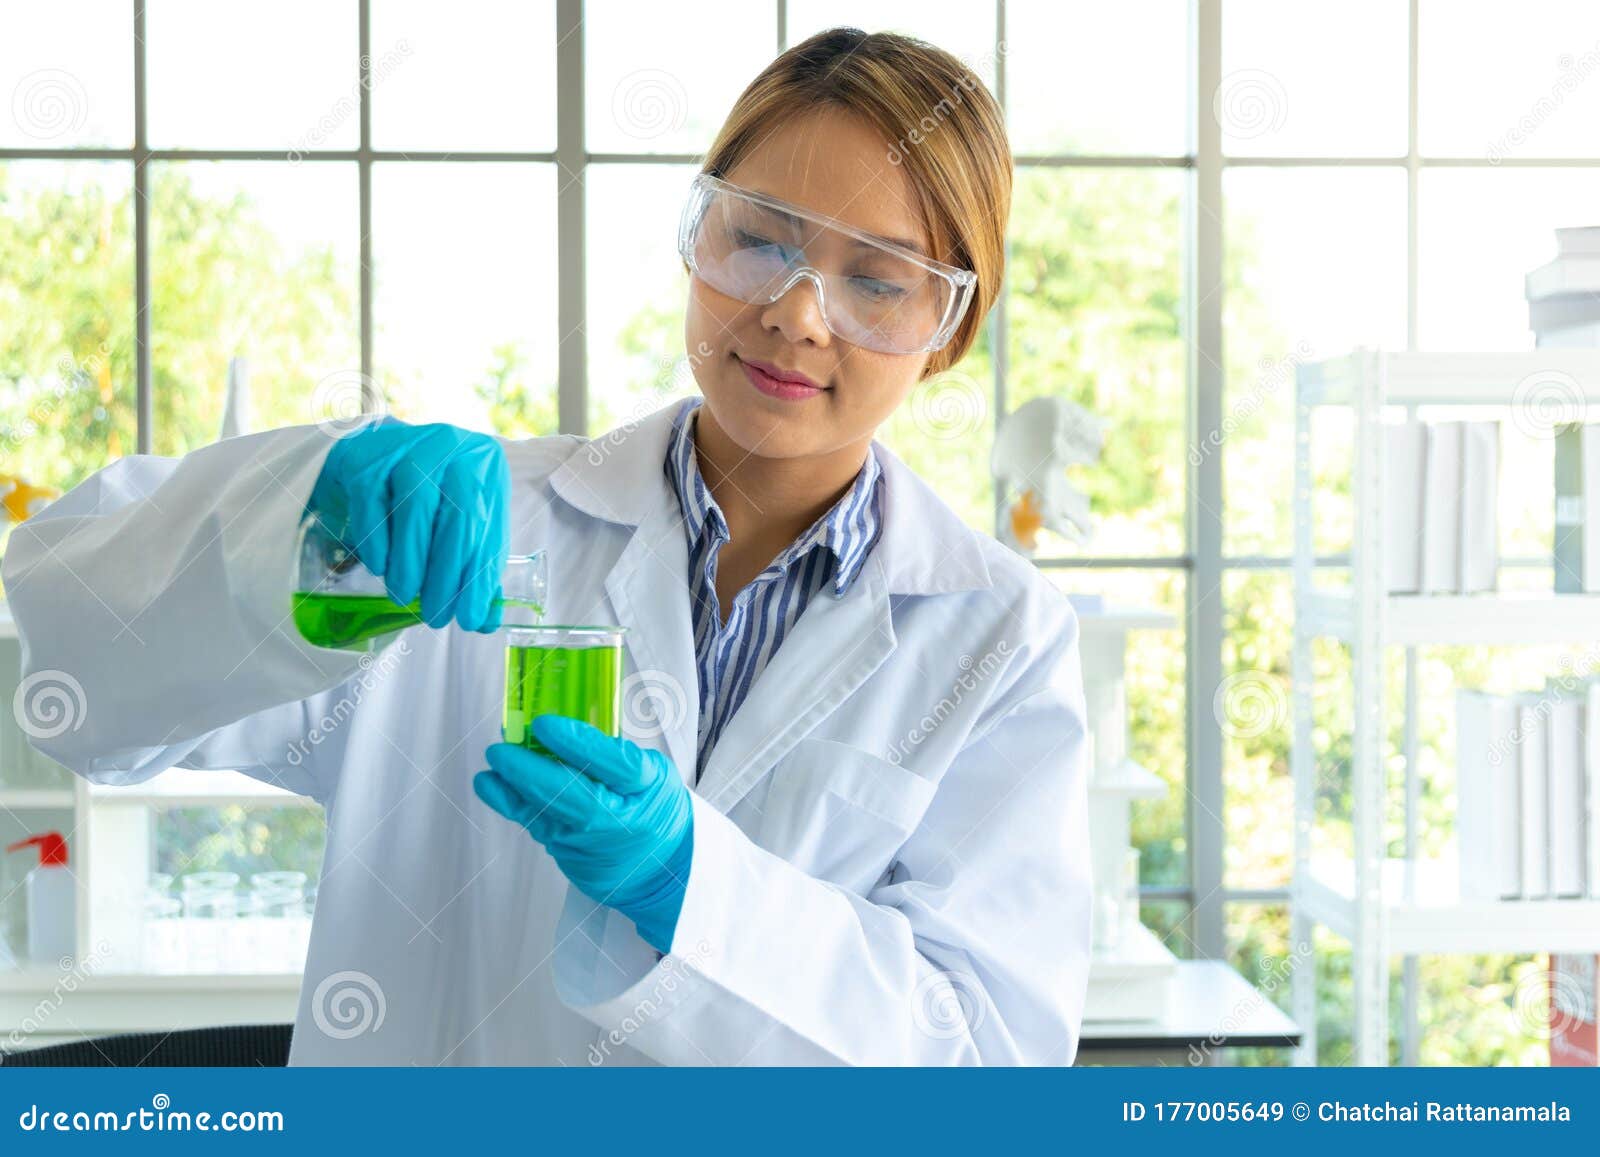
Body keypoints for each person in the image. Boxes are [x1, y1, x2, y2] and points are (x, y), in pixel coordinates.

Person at [3, 27, 1091, 1066]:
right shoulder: (468, 527)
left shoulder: (998, 635)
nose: (798, 313)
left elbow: (985, 1056)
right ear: (698, 234)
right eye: (760, 237)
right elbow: (73, 670)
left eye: (877, 279)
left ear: (948, 325)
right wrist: (287, 531)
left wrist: (689, 888)